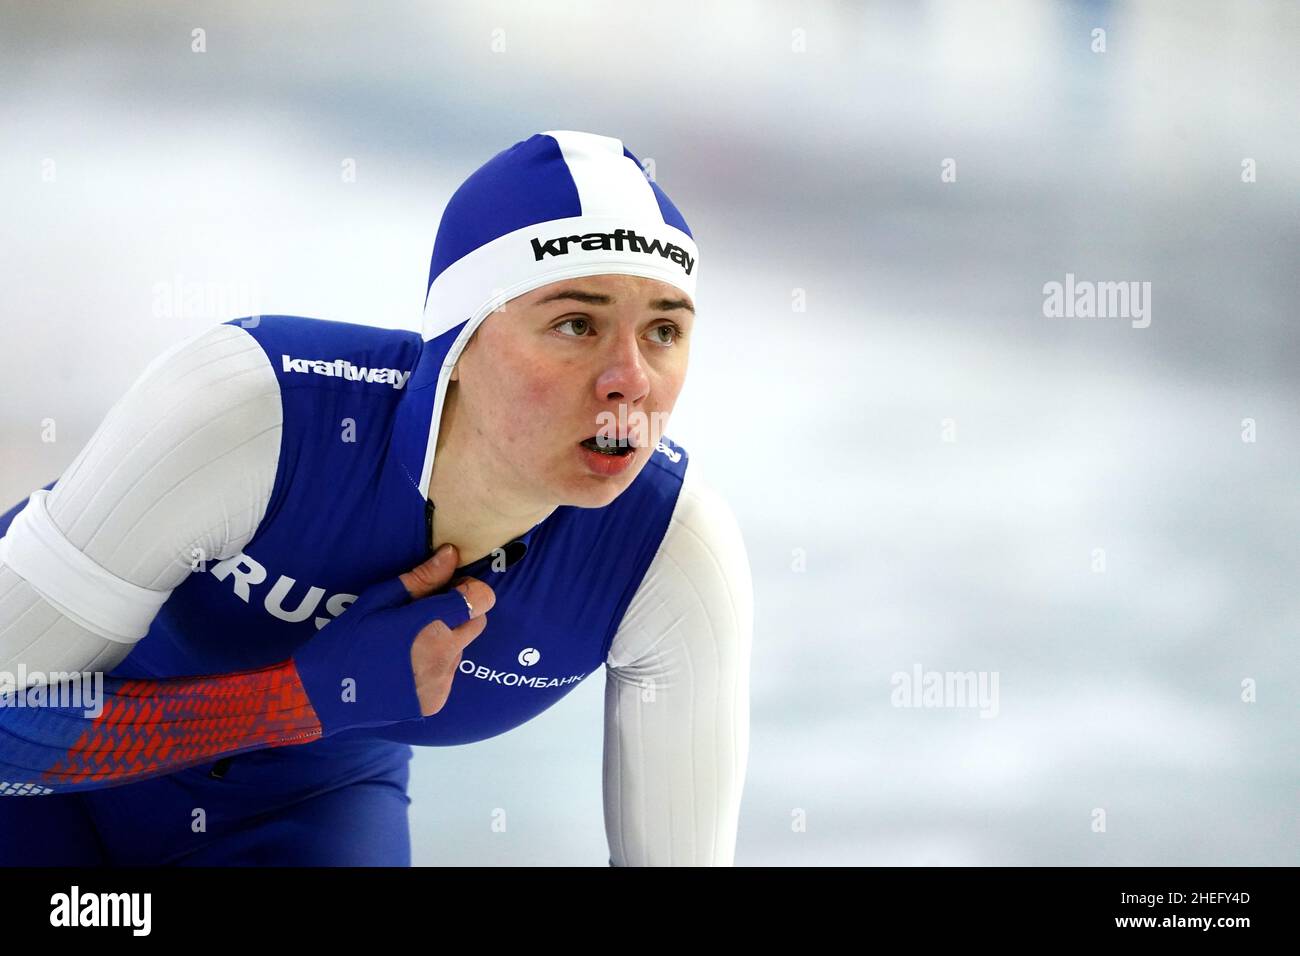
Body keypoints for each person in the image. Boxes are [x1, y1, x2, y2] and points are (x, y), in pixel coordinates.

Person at [0, 130, 753, 866]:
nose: (630, 379)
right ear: (458, 344)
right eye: (576, 323)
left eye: (662, 331)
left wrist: (316, 708)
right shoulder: (252, 412)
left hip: (303, 806)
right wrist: (296, 702)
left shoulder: (669, 558)